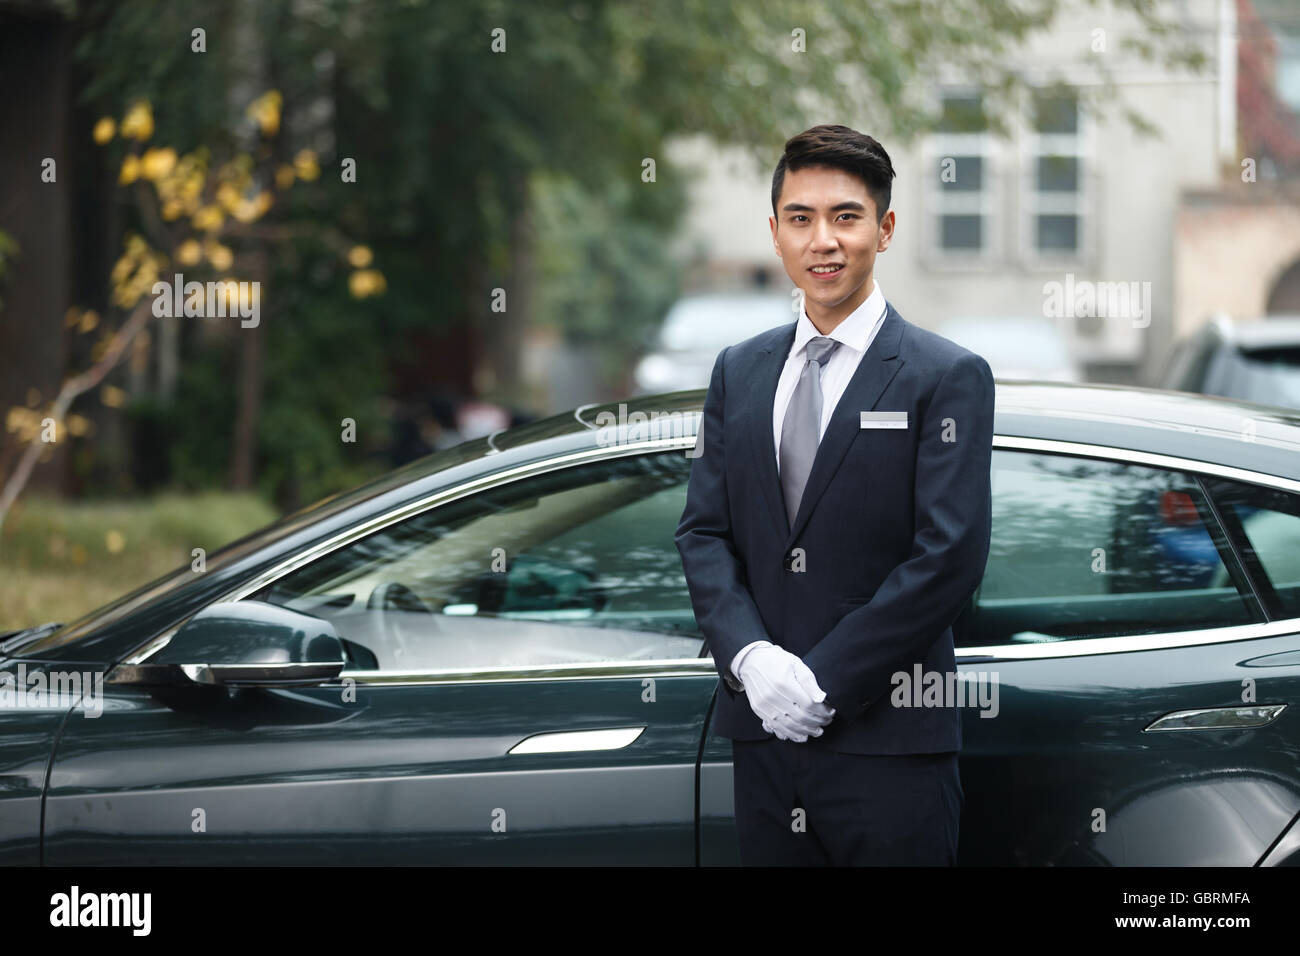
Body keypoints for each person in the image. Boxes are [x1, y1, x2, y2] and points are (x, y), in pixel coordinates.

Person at [674, 124, 995, 865]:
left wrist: (823, 682)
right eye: (801, 218)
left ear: (884, 230)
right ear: (776, 233)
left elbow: (948, 557)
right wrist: (752, 660)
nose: (823, 240)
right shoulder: (739, 370)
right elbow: (703, 534)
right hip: (761, 742)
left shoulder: (943, 375)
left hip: (891, 748)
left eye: (846, 217)